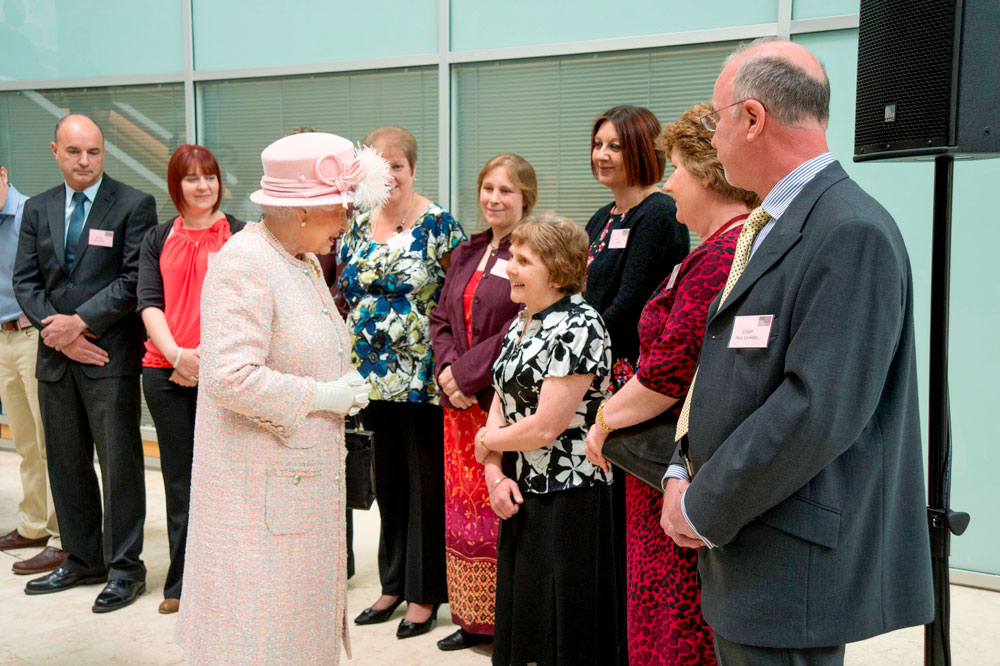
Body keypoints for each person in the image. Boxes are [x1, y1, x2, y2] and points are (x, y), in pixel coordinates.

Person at [658, 38, 934, 665]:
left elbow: (817, 410)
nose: (715, 133)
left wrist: (702, 505)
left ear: (751, 119)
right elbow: (730, 371)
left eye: (718, 114)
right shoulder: (777, 223)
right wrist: (682, 464)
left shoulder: (849, 230)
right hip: (753, 545)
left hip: (788, 560)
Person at [175, 132, 378, 665]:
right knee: (259, 633)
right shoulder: (244, 261)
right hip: (257, 497)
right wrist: (322, 394)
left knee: (297, 630)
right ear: (306, 211)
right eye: (341, 210)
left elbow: (298, 348)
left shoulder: (302, 259)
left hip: (297, 488)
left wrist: (343, 379)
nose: (346, 223)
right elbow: (228, 376)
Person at [584, 102, 759, 666]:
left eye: (677, 168)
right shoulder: (712, 250)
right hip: (661, 459)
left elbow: (666, 372)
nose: (669, 183)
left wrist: (605, 419)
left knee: (675, 619)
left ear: (708, 175)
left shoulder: (721, 255)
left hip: (675, 458)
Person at [14, 114, 157, 612]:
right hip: (56, 359)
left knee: (119, 466)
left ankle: (124, 568)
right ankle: (81, 558)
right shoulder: (38, 207)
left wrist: (80, 324)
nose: (85, 161)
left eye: (94, 151)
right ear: (56, 151)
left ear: (104, 152)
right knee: (67, 463)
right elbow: (27, 281)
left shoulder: (134, 204)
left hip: (108, 357)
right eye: (74, 152)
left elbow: (132, 277)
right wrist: (60, 331)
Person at [476, 212, 617, 666]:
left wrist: (487, 442)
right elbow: (500, 398)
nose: (509, 268)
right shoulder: (522, 321)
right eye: (511, 257)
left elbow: (546, 426)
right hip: (521, 487)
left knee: (568, 627)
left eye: (522, 260)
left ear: (556, 269)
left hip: (572, 495)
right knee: (527, 620)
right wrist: (493, 473)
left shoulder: (582, 324)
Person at [340, 126, 466, 638]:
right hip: (367, 377)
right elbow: (344, 288)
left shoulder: (439, 224)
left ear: (413, 168)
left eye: (397, 164)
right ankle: (391, 583)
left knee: (423, 484)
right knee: (385, 482)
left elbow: (458, 301)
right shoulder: (356, 224)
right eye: (379, 166)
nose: (389, 175)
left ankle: (424, 593)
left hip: (421, 377)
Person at [583, 104, 689, 662]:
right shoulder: (602, 218)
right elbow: (581, 293)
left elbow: (629, 308)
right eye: (598, 143)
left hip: (633, 380)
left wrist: (574, 345)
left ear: (644, 150)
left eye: (616, 146)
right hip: (594, 374)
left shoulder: (660, 214)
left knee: (635, 522)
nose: (603, 154)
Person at [428, 154, 536, 651]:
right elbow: (440, 317)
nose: (494, 198)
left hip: (501, 404)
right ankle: (470, 618)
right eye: (488, 188)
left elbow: (523, 322)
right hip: (458, 406)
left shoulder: (531, 252)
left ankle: (507, 623)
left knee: (500, 509)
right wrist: (449, 372)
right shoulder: (469, 251)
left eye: (506, 191)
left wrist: (466, 375)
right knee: (461, 512)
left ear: (525, 198)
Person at [136, 145, 244, 615]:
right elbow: (148, 302)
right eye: (192, 179)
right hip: (165, 373)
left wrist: (210, 360)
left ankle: (231, 578)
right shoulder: (158, 237)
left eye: (211, 177)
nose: (203, 186)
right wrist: (178, 355)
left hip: (227, 375)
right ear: (175, 186)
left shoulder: (241, 235)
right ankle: (181, 581)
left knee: (230, 480)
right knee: (180, 482)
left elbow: (251, 305)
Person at [0, 164, 64, 575]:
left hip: (31, 336)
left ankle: (65, 535)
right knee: (23, 440)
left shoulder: (29, 214)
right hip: (2, 339)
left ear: (3, 174)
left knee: (52, 442)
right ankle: (34, 523)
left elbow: (51, 279)